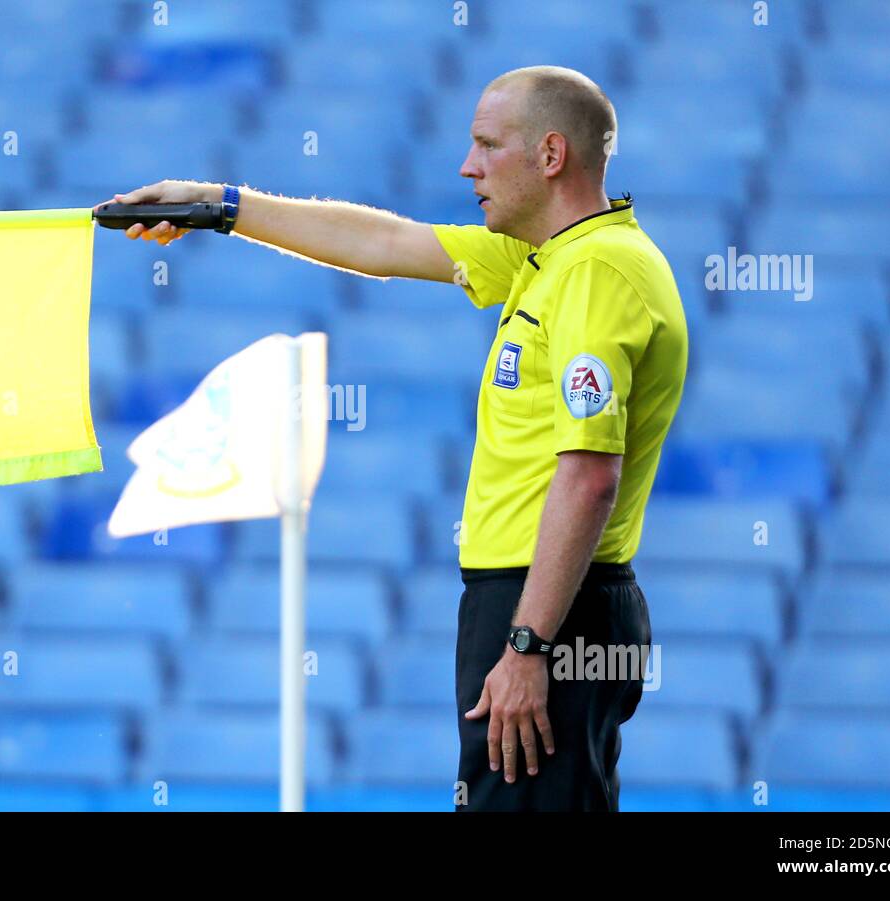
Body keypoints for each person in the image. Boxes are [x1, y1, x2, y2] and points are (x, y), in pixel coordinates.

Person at [104, 65, 688, 811]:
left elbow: (588, 477)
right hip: (535, 603)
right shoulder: (548, 259)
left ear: (550, 156)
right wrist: (220, 206)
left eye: (486, 144)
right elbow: (382, 242)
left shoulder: (596, 272)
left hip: (550, 611)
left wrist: (528, 646)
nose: (466, 165)